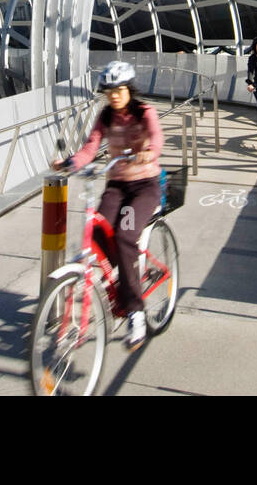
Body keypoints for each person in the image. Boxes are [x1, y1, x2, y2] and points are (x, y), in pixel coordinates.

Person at [51, 60, 163, 351]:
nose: (113, 96)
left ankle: (135, 312)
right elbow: (91, 145)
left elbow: (156, 138)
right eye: (109, 91)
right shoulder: (105, 116)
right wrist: (71, 163)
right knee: (98, 236)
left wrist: (147, 153)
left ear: (129, 89)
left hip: (144, 186)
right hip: (117, 184)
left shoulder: (144, 112)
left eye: (118, 90)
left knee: (125, 237)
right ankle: (119, 284)